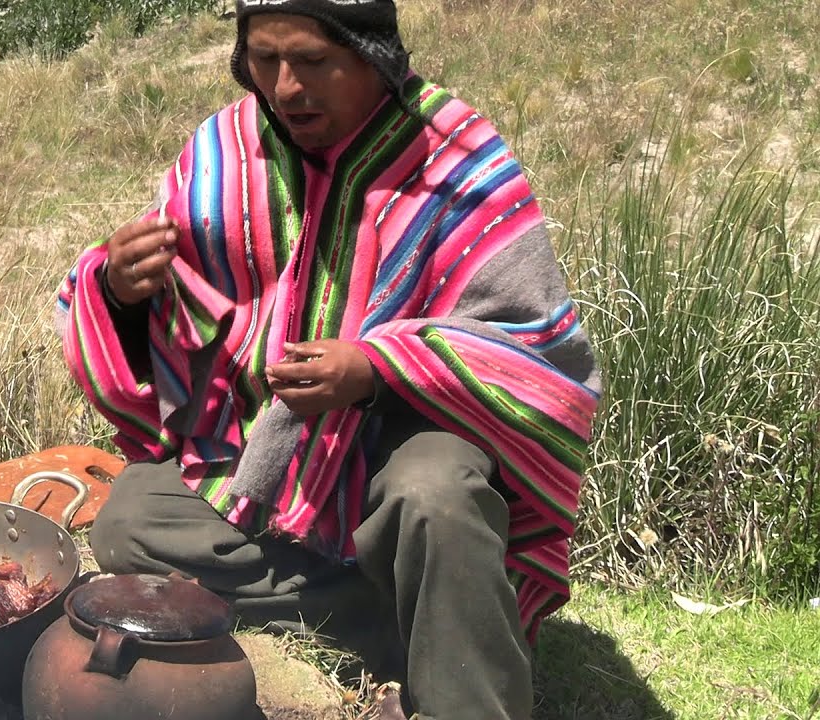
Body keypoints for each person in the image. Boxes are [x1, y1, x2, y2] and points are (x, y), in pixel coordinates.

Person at [55, 1, 601, 717]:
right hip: (272, 462)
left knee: (436, 498)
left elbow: (536, 351)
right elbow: (183, 316)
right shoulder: (227, 150)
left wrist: (378, 368)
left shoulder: (456, 156)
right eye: (264, 58)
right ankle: (403, 618)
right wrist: (121, 288)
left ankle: (463, 684)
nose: (284, 87)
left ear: (372, 55)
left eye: (313, 62)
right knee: (129, 520)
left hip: (405, 454)